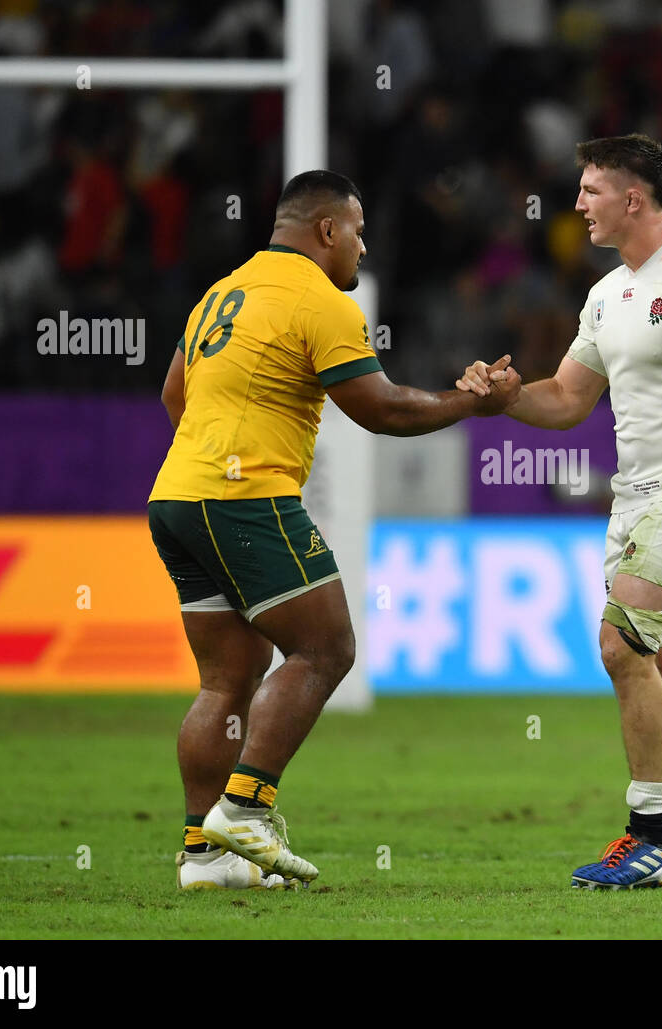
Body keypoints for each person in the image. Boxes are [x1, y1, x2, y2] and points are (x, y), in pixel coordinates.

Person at [149, 170, 520, 890]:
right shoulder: (319, 300)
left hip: (175, 496)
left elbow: (174, 393)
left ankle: (203, 854)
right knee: (326, 647)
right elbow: (382, 410)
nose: (363, 245)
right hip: (242, 495)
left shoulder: (222, 292)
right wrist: (470, 404)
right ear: (326, 230)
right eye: (356, 230)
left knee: (226, 680)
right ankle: (246, 809)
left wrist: (208, 468)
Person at [457, 135, 662, 890]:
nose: (577, 204)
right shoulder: (608, 294)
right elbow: (569, 398)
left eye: (590, 190)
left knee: (619, 643)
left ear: (632, 199)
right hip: (633, 498)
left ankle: (645, 836)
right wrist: (505, 398)